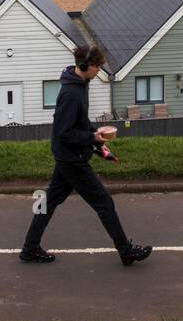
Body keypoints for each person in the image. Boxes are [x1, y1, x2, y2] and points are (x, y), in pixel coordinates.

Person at [20, 44, 152, 267]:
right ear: (85, 65)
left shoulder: (80, 84)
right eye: (97, 66)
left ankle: (29, 249)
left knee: (48, 203)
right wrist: (93, 139)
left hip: (67, 157)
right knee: (104, 202)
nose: (99, 71)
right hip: (72, 160)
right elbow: (64, 132)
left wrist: (95, 136)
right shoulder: (71, 94)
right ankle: (126, 251)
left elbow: (78, 124)